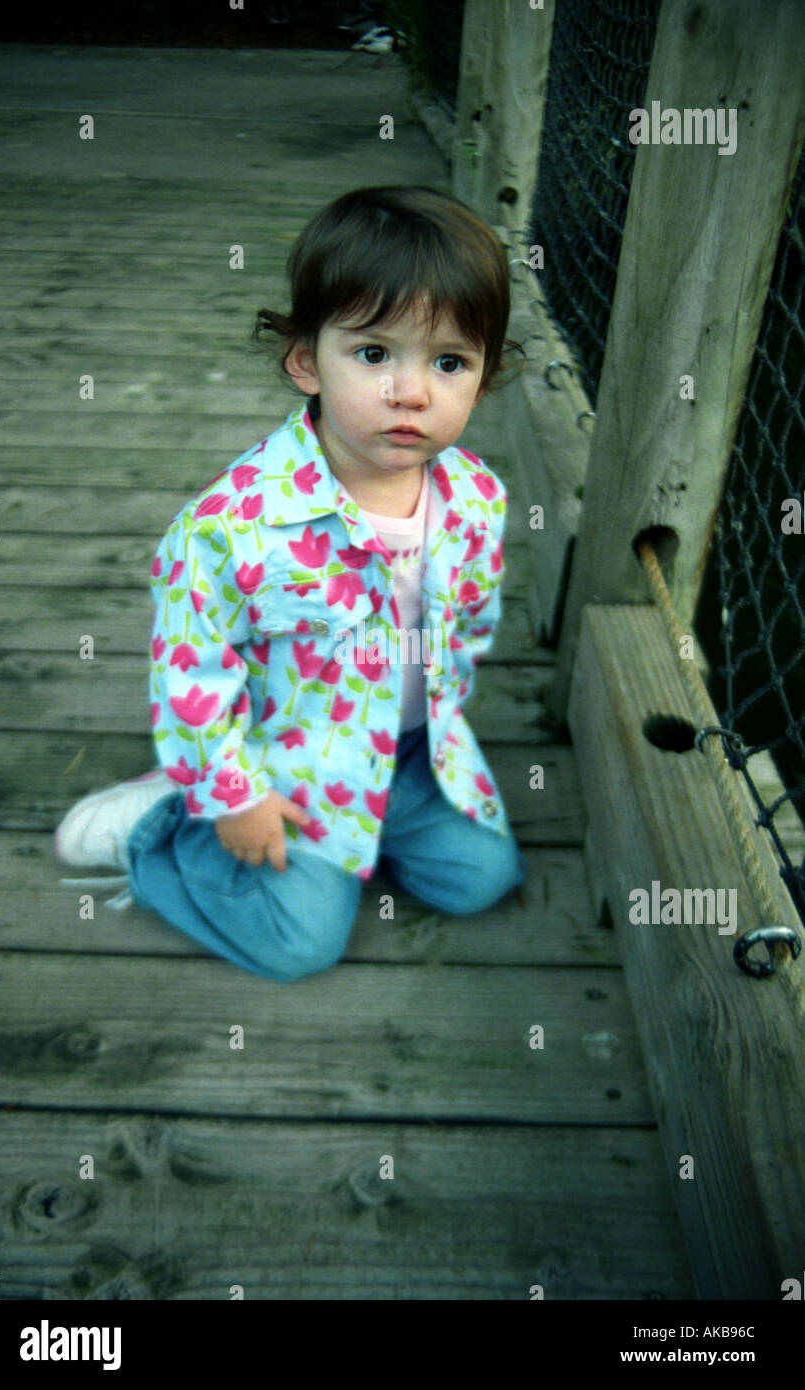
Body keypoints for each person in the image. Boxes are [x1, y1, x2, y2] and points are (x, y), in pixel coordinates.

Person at [55, 185, 528, 981]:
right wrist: (234, 793)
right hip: (287, 757)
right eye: (374, 354)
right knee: (298, 945)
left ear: (481, 380)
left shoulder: (474, 497)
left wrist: (427, 723)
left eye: (449, 361)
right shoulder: (230, 526)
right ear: (306, 361)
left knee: (482, 878)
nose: (411, 392)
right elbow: (191, 671)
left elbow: (468, 621)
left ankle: (361, 838)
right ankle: (166, 824)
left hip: (410, 751)